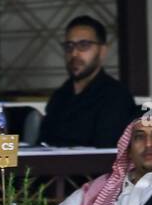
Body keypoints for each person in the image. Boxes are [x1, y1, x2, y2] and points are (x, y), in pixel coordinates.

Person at [38, 16, 136, 148]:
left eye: (83, 45)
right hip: (50, 167)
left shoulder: (115, 96)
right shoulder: (60, 96)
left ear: (102, 51)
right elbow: (43, 145)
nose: (74, 54)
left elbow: (107, 155)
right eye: (69, 46)